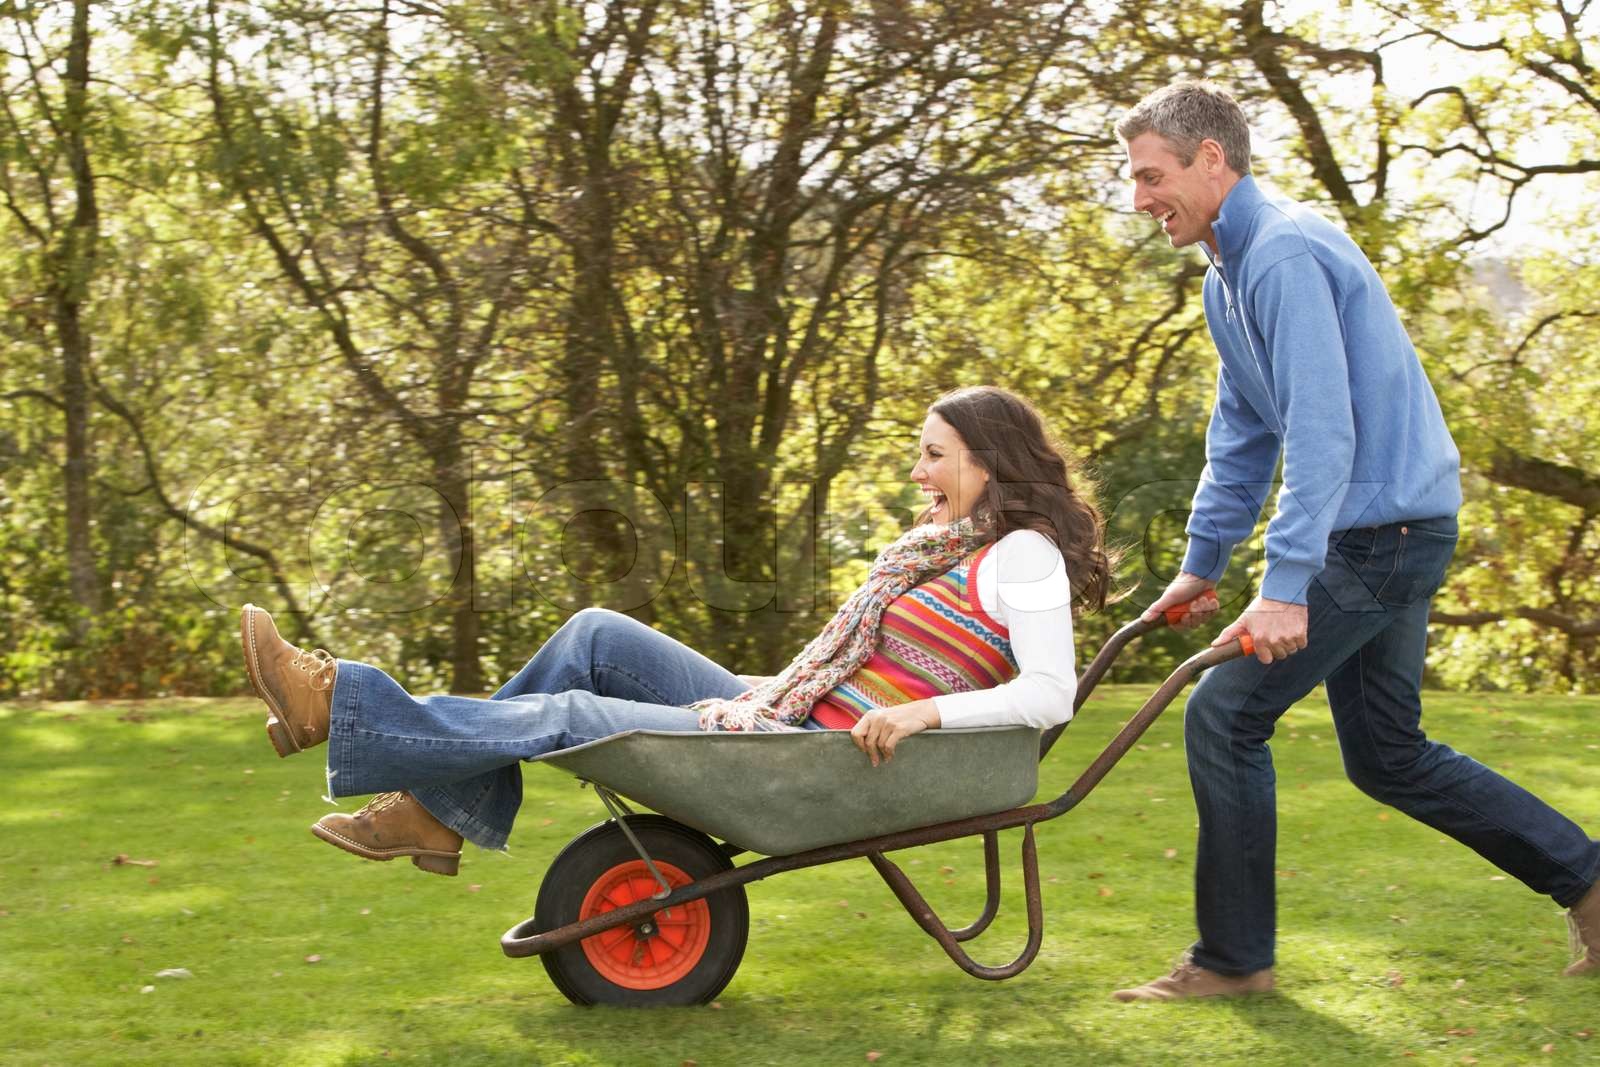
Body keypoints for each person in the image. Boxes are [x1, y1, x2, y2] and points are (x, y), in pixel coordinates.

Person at [1109, 81, 1600, 1001]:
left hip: (1383, 535)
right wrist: (1199, 566)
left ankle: (1233, 959)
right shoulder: (1231, 275)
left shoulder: (1284, 254)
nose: (1140, 199)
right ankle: (1591, 879)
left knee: (1224, 714)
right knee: (1388, 754)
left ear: (1212, 159)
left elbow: (1324, 434)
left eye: (1152, 176)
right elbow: (1243, 435)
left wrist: (1286, 584)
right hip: (1390, 531)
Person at [239, 385, 1113, 876]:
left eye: (933, 454)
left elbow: (1045, 694)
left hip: (820, 755)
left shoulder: (1022, 554)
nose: (916, 469)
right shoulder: (948, 546)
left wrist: (922, 715)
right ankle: (438, 809)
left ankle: (340, 704)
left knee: (583, 713)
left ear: (987, 462)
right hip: (789, 717)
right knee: (594, 635)